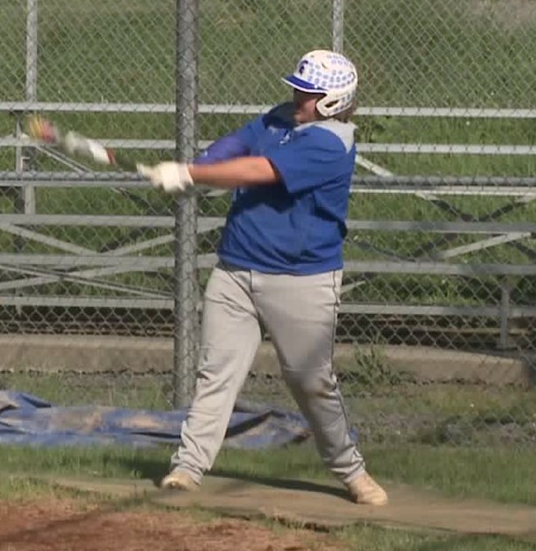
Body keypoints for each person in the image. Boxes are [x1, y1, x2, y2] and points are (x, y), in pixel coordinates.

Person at [135, 49, 388, 506]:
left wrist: (192, 174)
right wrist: (198, 165)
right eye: (298, 88)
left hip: (301, 280)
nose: (297, 97)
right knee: (216, 373)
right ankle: (187, 467)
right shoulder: (279, 119)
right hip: (236, 269)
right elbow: (240, 144)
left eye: (309, 94)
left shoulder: (332, 143)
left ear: (333, 102)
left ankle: (350, 469)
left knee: (311, 382)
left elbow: (259, 171)